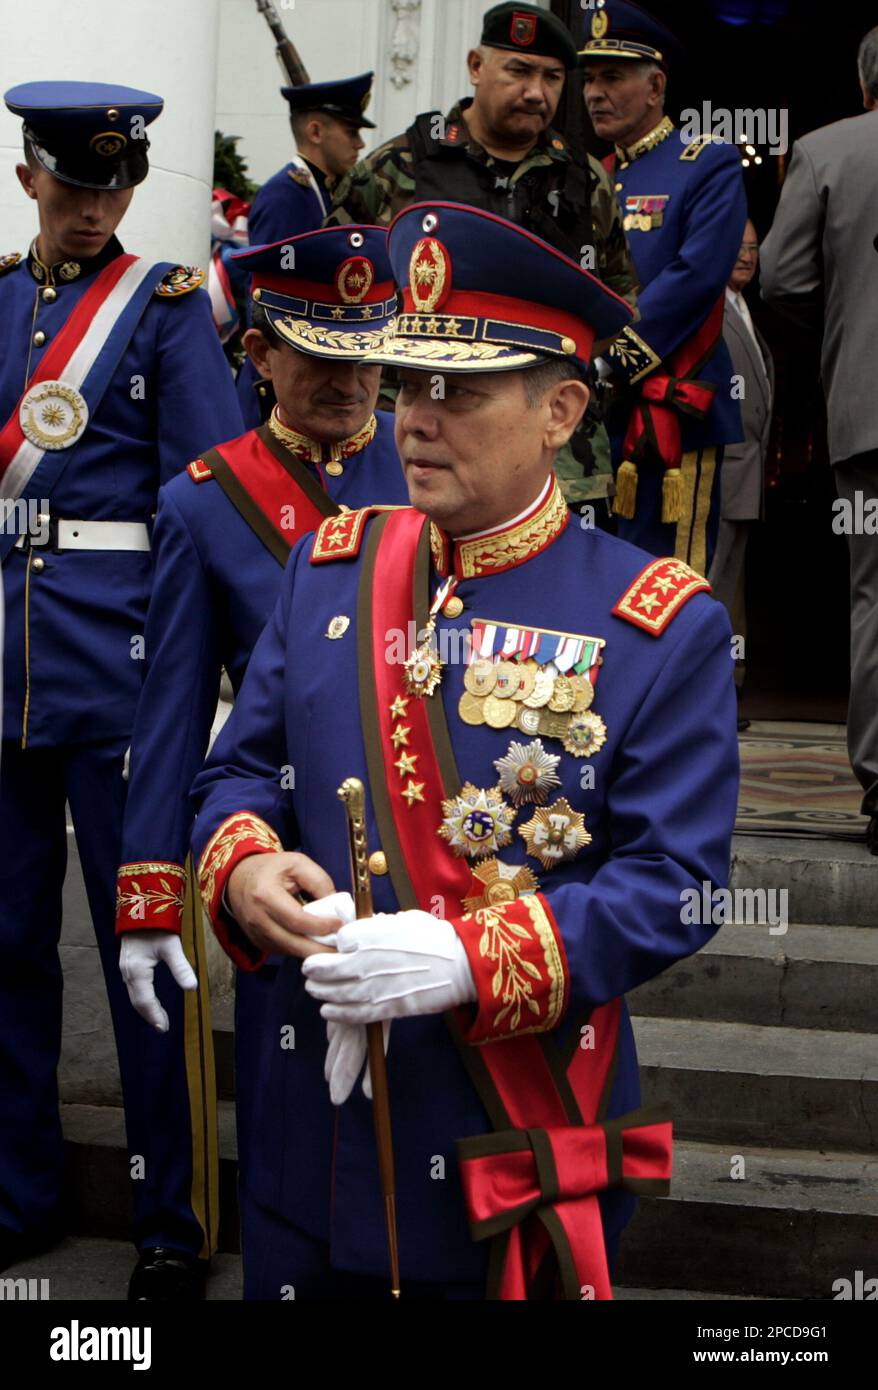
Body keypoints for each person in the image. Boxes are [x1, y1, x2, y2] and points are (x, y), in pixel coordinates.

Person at [188, 200, 740, 1300]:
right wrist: (243, 867)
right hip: (314, 1112)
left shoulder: (659, 621)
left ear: (560, 412)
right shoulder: (333, 564)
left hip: (499, 1115)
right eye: (406, 385)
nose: (414, 420)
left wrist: (466, 960)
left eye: (459, 391)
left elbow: (675, 886)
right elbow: (240, 772)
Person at [0, 82, 244, 1296]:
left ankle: (173, 1222)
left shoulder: (164, 311)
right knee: (3, 949)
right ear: (29, 176)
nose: (97, 208)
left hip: (125, 682)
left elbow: (205, 500)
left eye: (116, 186)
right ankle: (16, 1192)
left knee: (148, 951)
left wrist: (210, 679)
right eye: (76, 182)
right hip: (2, 682)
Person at [115, 225, 408, 1185]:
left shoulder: (426, 470)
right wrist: (152, 893)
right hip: (282, 833)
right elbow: (171, 713)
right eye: (322, 355)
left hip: (427, 822)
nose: (350, 381)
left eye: (366, 353)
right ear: (260, 352)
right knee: (297, 1116)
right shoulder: (205, 503)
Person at [328, 1, 639, 509]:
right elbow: (338, 292)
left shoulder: (586, 181)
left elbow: (620, 299)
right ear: (476, 66)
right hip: (415, 447)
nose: (536, 93)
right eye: (519, 71)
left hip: (558, 462)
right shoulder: (398, 168)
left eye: (552, 78)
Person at [760, 25, 878, 854]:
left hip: (869, 414)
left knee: (876, 601)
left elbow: (782, 278)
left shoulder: (828, 151)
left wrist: (837, 335)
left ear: (866, 85)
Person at [581, 0, 746, 575]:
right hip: (592, 414)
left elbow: (696, 276)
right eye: (590, 79)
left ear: (655, 86)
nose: (595, 92)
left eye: (613, 77)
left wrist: (610, 364)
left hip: (671, 404)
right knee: (596, 572)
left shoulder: (707, 163)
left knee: (665, 576)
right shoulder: (591, 175)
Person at [237, 74, 376, 429]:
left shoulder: (322, 191)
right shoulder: (287, 194)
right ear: (315, 132)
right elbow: (270, 297)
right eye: (350, 131)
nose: (360, 143)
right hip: (288, 374)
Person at [709, 219, 773, 729]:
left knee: (733, 586)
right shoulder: (711, 305)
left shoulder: (744, 307)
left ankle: (728, 688)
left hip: (746, 468)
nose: (746, 256)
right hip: (723, 467)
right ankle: (710, 694)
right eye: (737, 246)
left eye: (753, 248)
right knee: (714, 582)